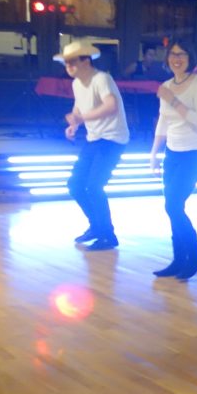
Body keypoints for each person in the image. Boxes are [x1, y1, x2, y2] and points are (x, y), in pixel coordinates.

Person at [149, 39, 197, 280]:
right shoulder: (166, 85)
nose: (177, 58)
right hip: (172, 152)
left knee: (173, 205)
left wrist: (174, 99)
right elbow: (163, 121)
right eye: (173, 54)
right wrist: (154, 153)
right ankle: (178, 259)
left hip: (195, 152)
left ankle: (193, 257)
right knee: (173, 206)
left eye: (182, 54)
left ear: (190, 58)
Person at [59, 41, 129, 251]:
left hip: (112, 139)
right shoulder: (77, 83)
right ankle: (97, 227)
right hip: (94, 138)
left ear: (86, 61)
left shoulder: (101, 78)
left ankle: (107, 235)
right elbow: (79, 107)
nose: (68, 67)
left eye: (72, 62)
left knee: (93, 186)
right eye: (66, 63)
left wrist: (80, 119)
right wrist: (74, 125)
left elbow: (110, 106)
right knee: (76, 185)